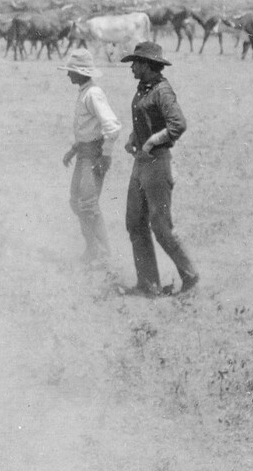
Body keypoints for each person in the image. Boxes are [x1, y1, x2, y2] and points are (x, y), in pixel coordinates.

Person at [120, 40, 199, 298]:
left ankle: (190, 277)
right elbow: (148, 119)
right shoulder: (144, 89)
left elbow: (178, 124)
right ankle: (148, 284)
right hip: (141, 164)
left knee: (161, 226)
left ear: (148, 65)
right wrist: (135, 136)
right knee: (135, 222)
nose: (132, 67)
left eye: (136, 63)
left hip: (157, 164)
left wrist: (153, 140)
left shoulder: (163, 91)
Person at [59, 48, 121, 266]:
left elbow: (111, 127)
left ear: (81, 72)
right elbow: (88, 128)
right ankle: (93, 247)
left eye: (71, 71)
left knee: (87, 204)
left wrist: (106, 155)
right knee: (76, 201)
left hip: (93, 156)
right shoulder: (85, 92)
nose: (68, 75)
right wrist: (74, 149)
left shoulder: (93, 93)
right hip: (84, 153)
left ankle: (103, 251)